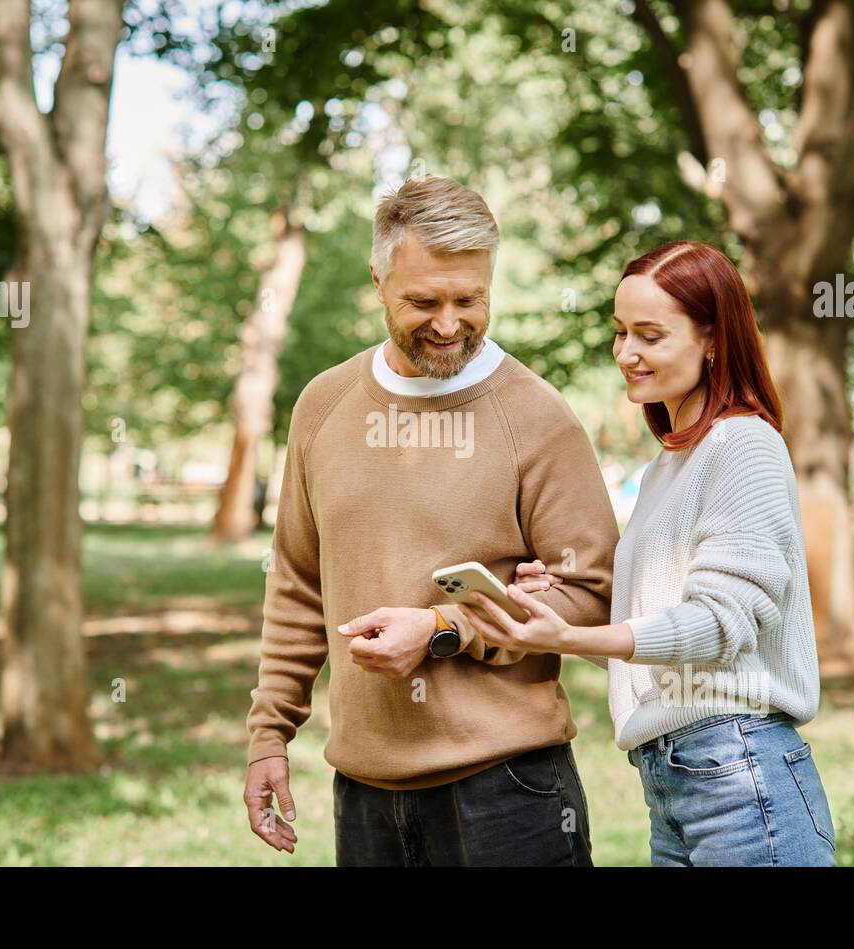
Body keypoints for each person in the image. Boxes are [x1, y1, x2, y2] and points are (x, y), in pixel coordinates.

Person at [242, 175, 620, 866]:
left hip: (508, 787)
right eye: (423, 300)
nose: (449, 324)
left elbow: (591, 592)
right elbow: (297, 585)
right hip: (363, 788)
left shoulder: (537, 417)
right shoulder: (322, 407)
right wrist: (270, 733)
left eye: (469, 300)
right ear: (378, 280)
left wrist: (445, 631)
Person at [465, 240, 838, 866]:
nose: (626, 354)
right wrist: (550, 611)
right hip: (673, 781)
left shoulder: (743, 446)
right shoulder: (670, 465)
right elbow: (659, 646)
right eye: (619, 333)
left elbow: (719, 627)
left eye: (649, 336)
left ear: (713, 339)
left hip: (739, 775)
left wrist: (569, 640)